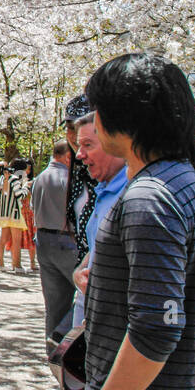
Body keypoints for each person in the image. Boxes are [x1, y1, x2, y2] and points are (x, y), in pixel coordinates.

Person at [68, 53, 195, 390]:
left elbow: (158, 326)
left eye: (98, 111)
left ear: (124, 118)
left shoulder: (148, 197)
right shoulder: (183, 178)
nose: (92, 122)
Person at [69, 113, 128, 329]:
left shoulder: (132, 194)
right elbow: (99, 245)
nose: (79, 155)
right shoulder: (103, 188)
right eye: (78, 145)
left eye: (88, 145)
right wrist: (79, 271)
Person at [32, 140, 79, 350]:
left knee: (54, 302)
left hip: (43, 240)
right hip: (66, 240)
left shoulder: (40, 178)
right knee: (89, 294)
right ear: (67, 157)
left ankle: (52, 346)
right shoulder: (67, 178)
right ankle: (64, 334)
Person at [0, 159, 31, 273]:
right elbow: (20, 195)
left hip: (3, 212)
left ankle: (1, 263)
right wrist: (26, 186)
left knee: (3, 239)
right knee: (16, 240)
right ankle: (17, 265)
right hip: (14, 213)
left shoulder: (3, 178)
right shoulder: (15, 179)